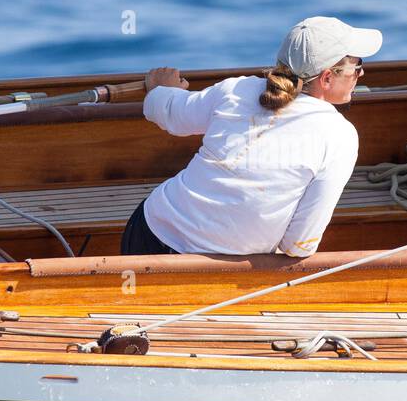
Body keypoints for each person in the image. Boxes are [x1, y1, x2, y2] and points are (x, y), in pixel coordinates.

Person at [120, 16, 382, 257]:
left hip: (147, 232)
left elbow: (169, 113)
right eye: (357, 67)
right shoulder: (340, 136)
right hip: (217, 270)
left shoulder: (236, 89)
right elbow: (299, 246)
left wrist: (160, 89)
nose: (362, 74)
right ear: (326, 78)